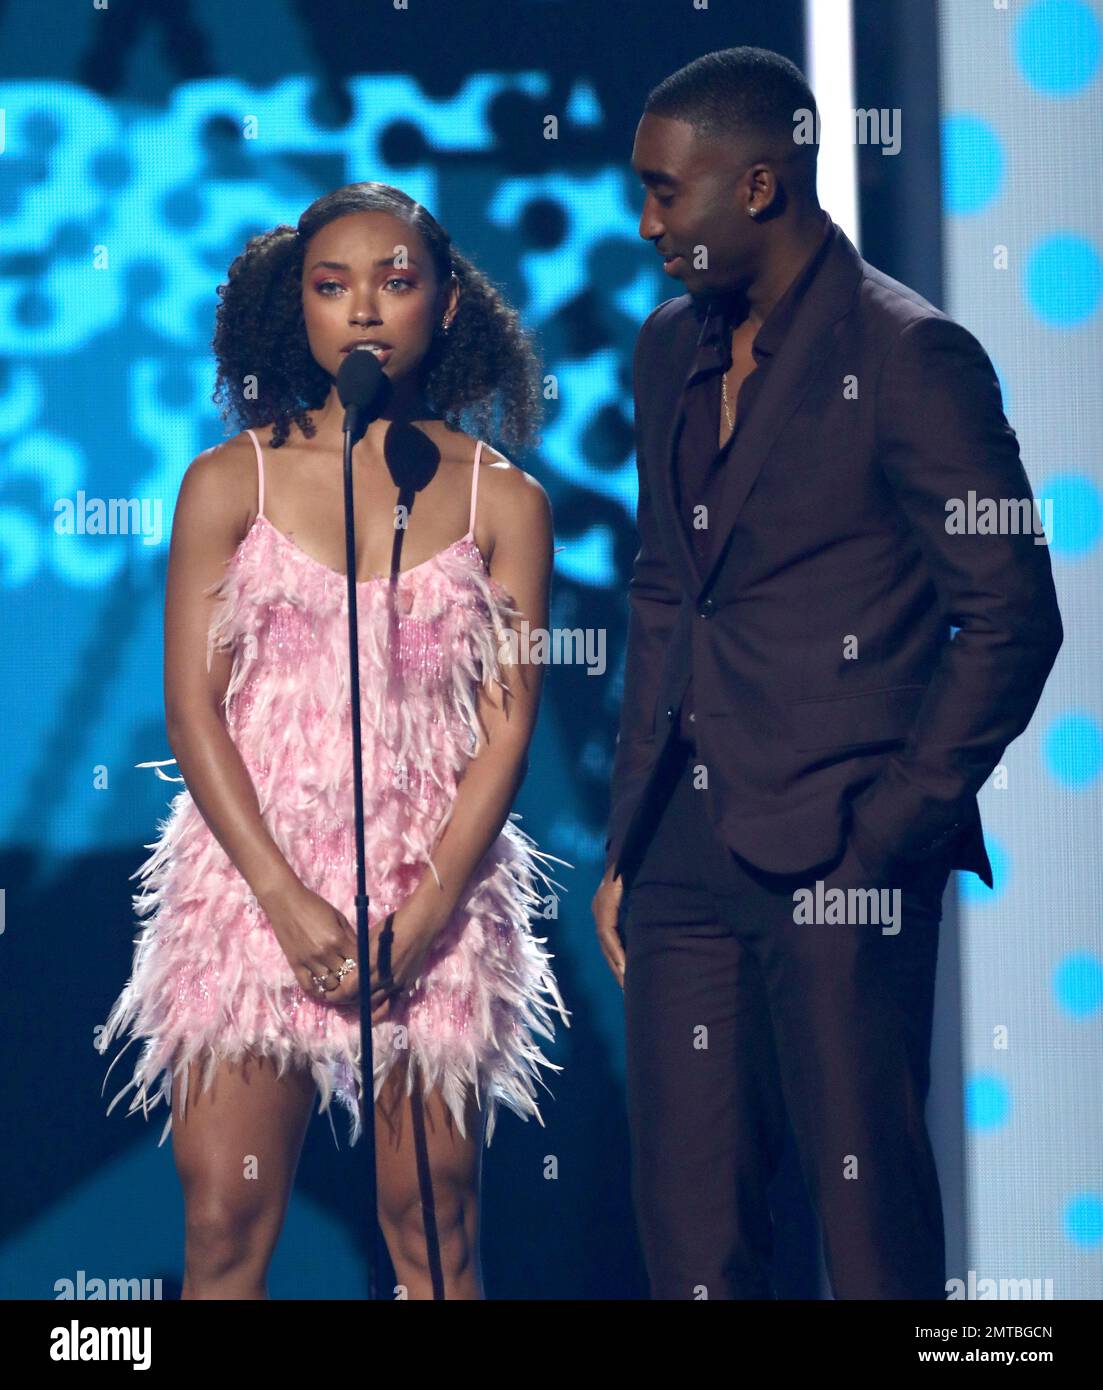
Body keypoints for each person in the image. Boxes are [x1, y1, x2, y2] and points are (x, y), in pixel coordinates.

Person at [592, 48, 1062, 1299]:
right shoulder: (662, 351)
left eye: (661, 194)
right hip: (682, 864)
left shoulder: (911, 355)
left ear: (755, 186)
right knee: (691, 1246)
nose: (644, 225)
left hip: (844, 859)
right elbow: (661, 586)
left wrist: (891, 828)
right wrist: (627, 837)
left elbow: (1011, 614)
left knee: (868, 1244)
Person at [96, 182, 569, 1300]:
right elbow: (191, 710)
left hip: (431, 897)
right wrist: (284, 897)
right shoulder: (229, 480)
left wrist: (432, 904)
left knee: (434, 1218)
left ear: (446, 306)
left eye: (395, 282)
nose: (364, 309)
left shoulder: (504, 499)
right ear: (294, 307)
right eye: (332, 285)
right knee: (223, 1218)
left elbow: (508, 725)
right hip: (255, 890)